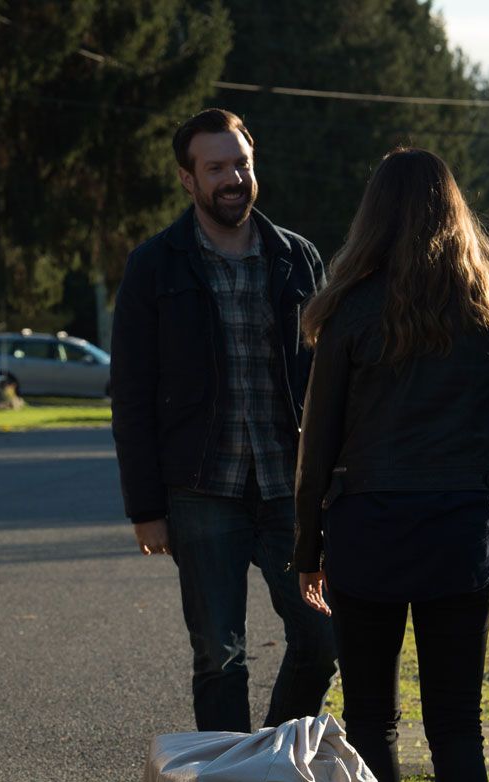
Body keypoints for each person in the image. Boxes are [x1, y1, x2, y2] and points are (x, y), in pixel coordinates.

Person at [292, 147, 489, 782]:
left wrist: (306, 545)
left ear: (375, 217)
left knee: (373, 722)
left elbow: (316, 448)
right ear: (452, 211)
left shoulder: (350, 311)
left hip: (370, 533)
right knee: (459, 725)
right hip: (462, 533)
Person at [110, 108, 337, 734]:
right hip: (201, 492)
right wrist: (144, 507)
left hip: (289, 492)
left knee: (322, 639)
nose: (232, 178)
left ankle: (264, 759)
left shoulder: (298, 260)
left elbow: (326, 382)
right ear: (188, 180)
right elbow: (130, 394)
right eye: (216, 168)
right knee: (219, 656)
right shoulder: (154, 266)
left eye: (240, 163)